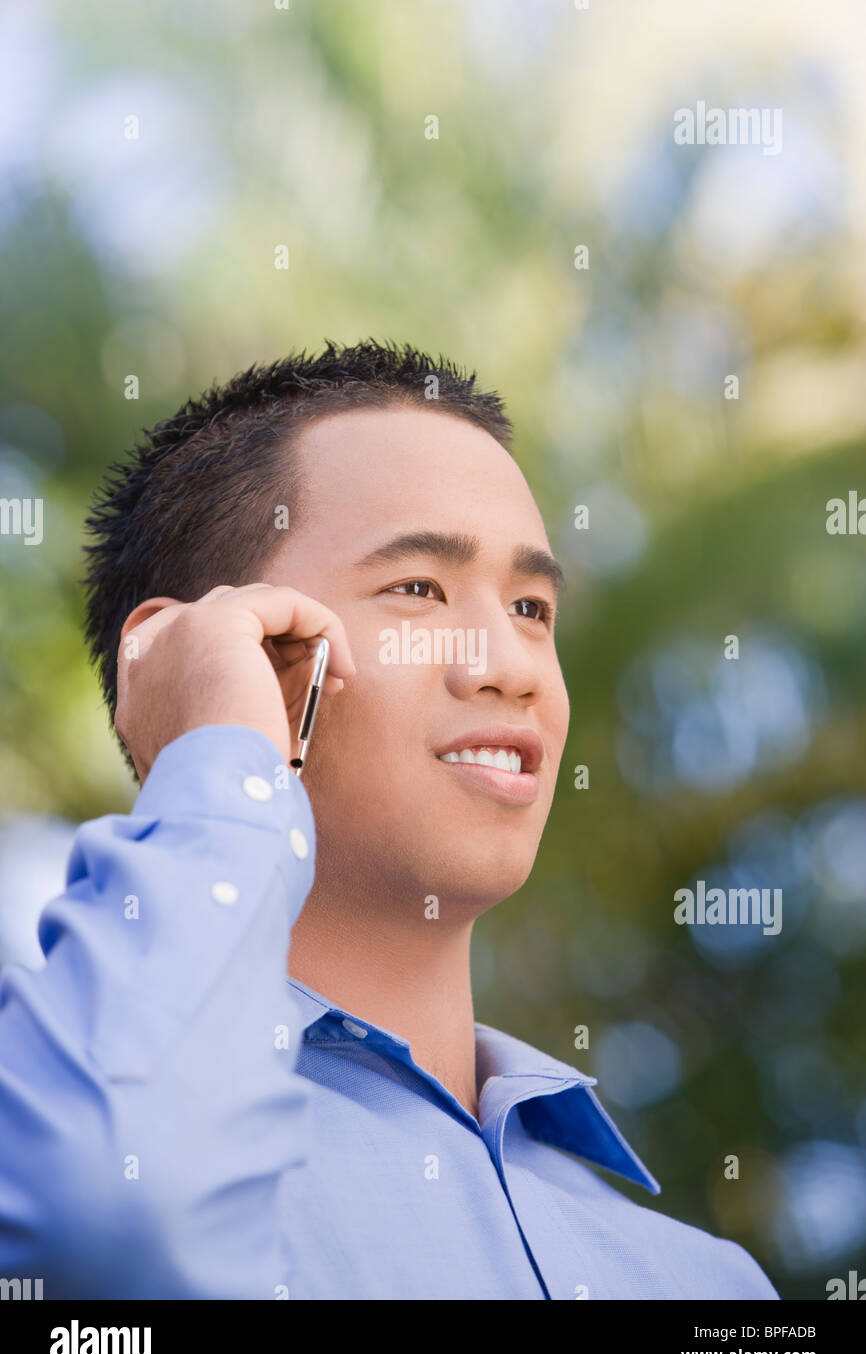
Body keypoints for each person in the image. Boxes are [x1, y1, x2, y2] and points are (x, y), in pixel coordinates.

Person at [0, 340, 778, 1299]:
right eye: (418, 588)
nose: (514, 665)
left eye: (533, 607)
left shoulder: (715, 1289)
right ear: (195, 646)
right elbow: (109, 1228)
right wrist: (220, 750)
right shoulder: (52, 1099)